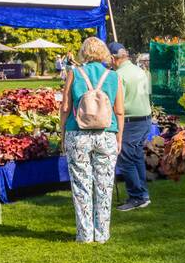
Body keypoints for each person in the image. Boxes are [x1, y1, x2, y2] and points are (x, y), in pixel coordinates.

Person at [61, 36, 125, 243]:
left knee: (81, 184)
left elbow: (64, 107)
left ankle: (85, 234)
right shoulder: (114, 76)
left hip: (77, 133)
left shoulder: (74, 73)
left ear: (84, 53)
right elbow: (120, 111)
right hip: (106, 134)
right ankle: (102, 234)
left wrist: (62, 134)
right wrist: (119, 138)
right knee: (105, 185)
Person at [108, 41, 152, 212]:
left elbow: (117, 102)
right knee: (136, 158)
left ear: (113, 58)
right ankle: (142, 195)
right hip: (145, 119)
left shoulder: (118, 75)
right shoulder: (141, 71)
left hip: (131, 121)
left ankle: (137, 197)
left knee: (126, 160)